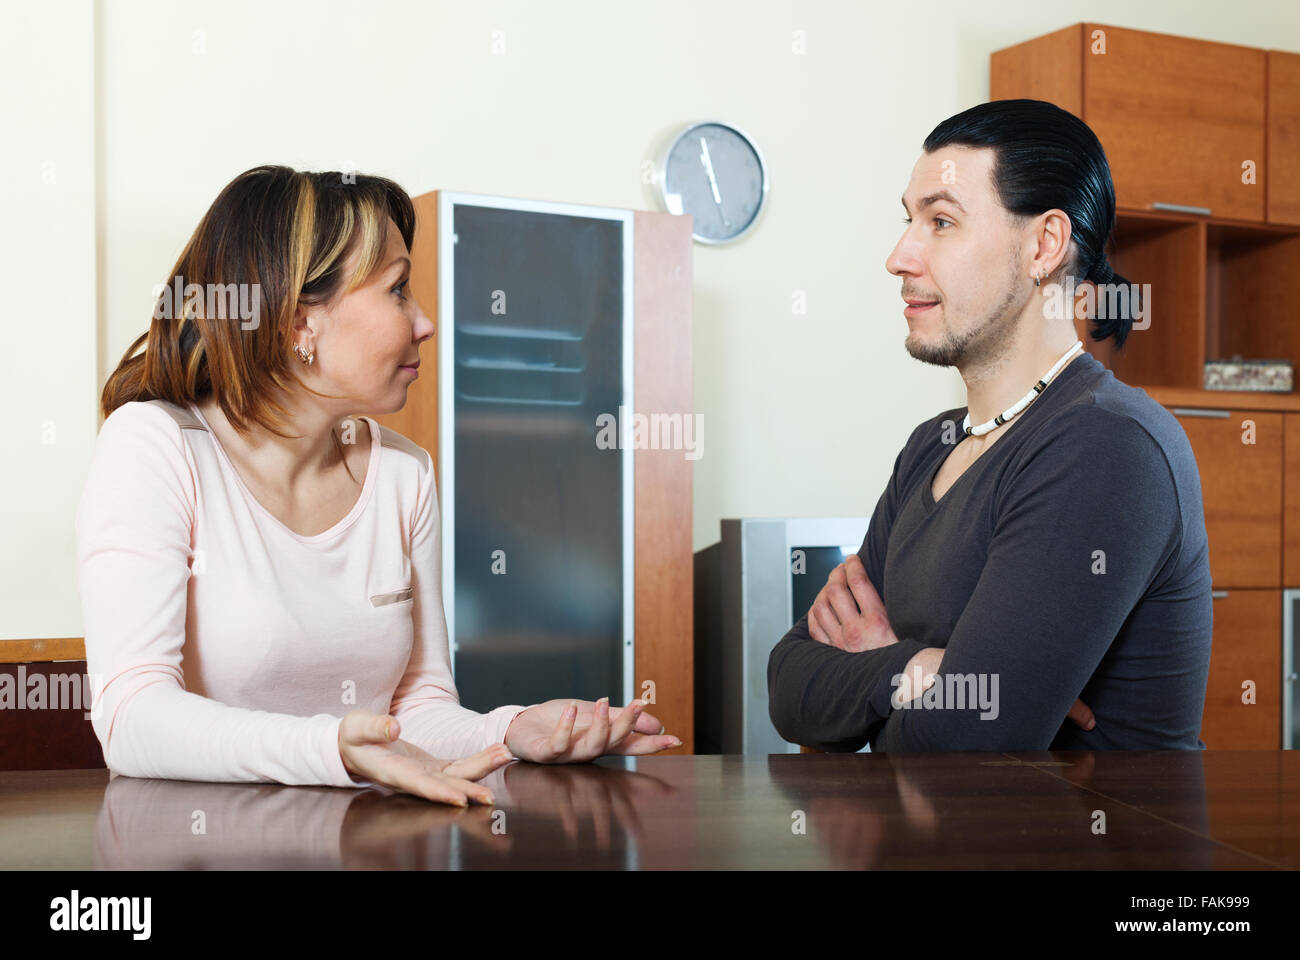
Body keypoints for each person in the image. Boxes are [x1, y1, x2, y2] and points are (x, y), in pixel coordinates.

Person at [77, 165, 679, 807]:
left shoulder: (403, 473)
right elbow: (131, 718)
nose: (425, 323)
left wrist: (511, 729)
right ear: (298, 326)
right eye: (398, 291)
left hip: (368, 844)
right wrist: (332, 748)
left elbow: (415, 711)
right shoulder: (154, 446)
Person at [767, 99, 1212, 751]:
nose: (899, 256)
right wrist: (916, 668)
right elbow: (787, 687)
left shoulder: (1106, 445)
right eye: (909, 220)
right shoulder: (933, 446)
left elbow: (964, 742)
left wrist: (876, 669)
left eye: (941, 221)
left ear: (1044, 245)